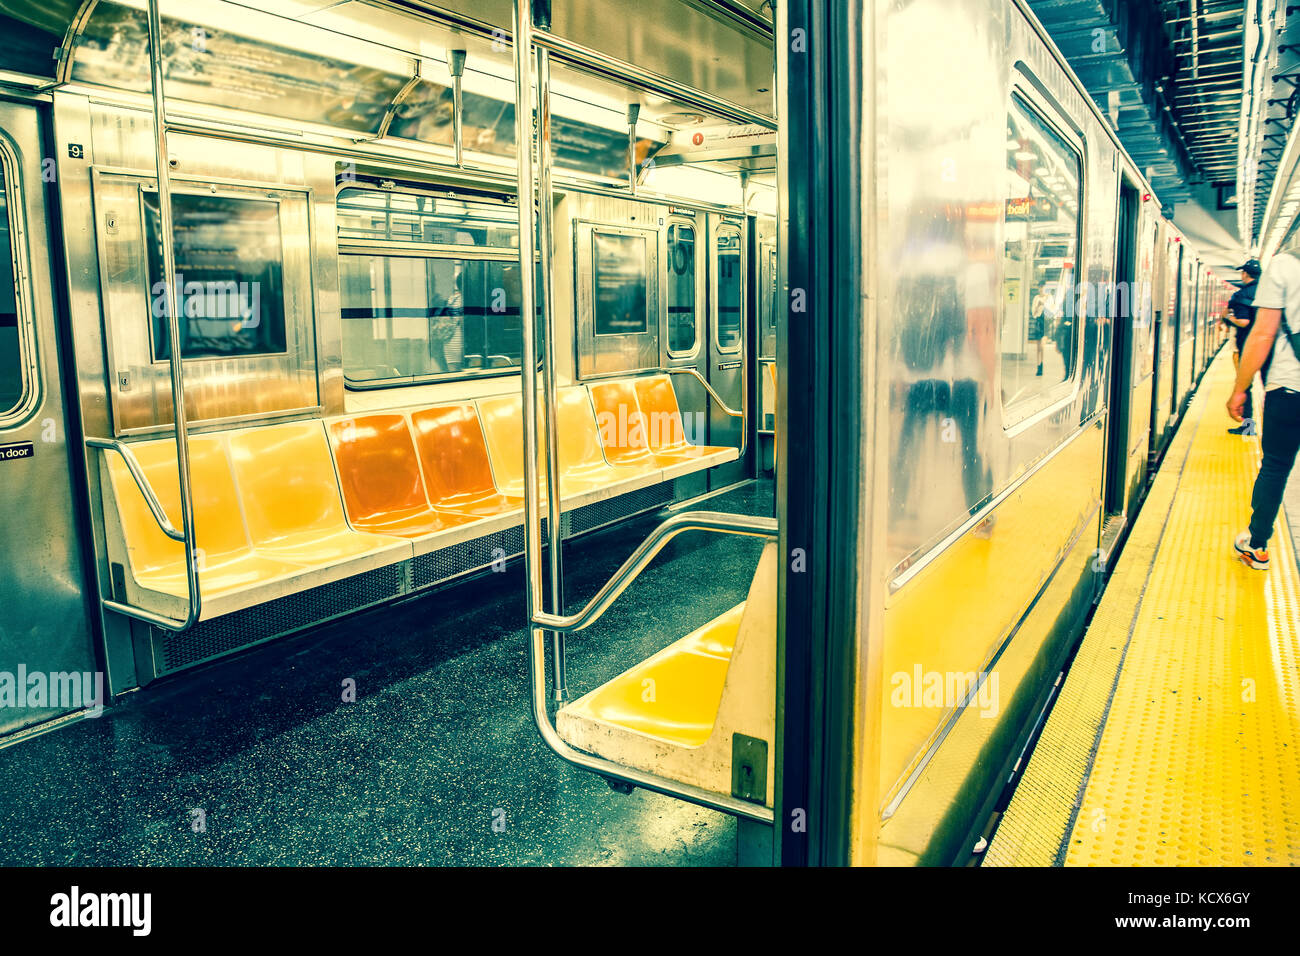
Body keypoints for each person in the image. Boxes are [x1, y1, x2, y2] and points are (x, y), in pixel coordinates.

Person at [1227, 251, 1300, 570]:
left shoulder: (1286, 265)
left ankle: (1257, 546)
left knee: (1276, 465)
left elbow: (1263, 333)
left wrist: (1239, 389)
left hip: (1289, 387)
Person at [1221, 259, 1261, 435]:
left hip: (1247, 347)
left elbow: (1244, 322)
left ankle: (1248, 427)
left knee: (1245, 386)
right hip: (1268, 347)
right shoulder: (1266, 292)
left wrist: (1229, 317)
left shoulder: (1241, 295)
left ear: (1245, 274)